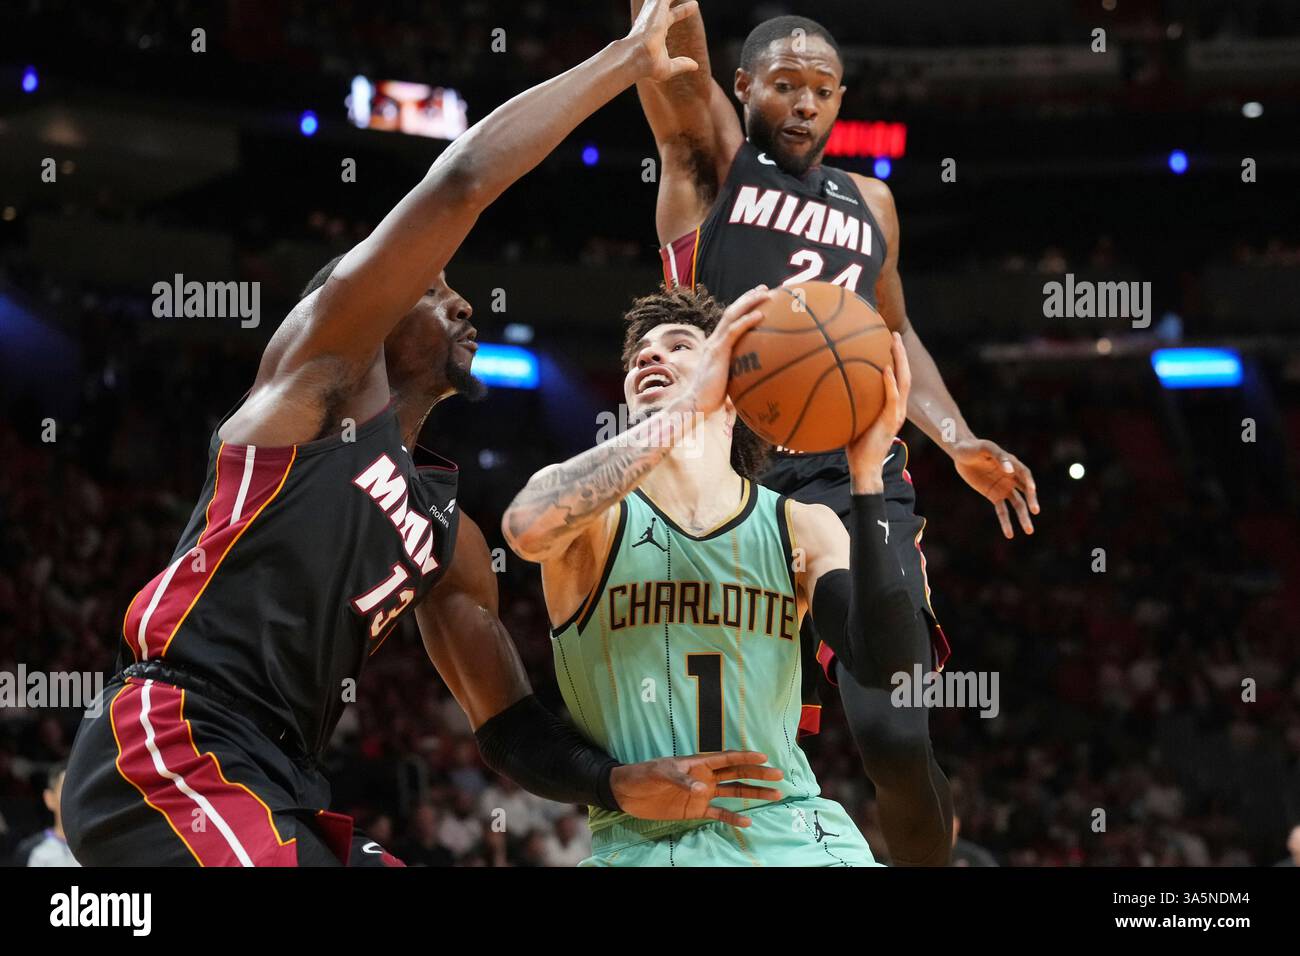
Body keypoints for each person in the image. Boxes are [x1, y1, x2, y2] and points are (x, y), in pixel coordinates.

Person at [61, 0, 778, 867]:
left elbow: (510, 725)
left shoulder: (449, 534)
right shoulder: (313, 386)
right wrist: (626, 60)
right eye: (437, 287)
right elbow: (463, 181)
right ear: (370, 306)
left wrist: (617, 784)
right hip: (174, 738)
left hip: (281, 776)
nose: (466, 302)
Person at [631, 4, 1041, 865]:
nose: (805, 104)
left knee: (893, 735)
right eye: (784, 85)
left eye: (822, 89)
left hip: (849, 475)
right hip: (723, 482)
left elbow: (896, 339)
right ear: (742, 88)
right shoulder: (709, 166)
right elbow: (665, 47)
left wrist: (958, 437)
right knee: (720, 748)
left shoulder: (874, 203)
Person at [502, 283, 922, 866]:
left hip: (797, 832)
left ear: (737, 384)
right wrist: (686, 408)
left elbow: (888, 663)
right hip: (644, 841)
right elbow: (525, 528)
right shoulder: (598, 520)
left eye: (680, 346)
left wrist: (868, 479)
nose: (651, 356)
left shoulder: (801, 525)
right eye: (640, 354)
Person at [13, 762, 80, 867]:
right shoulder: (30, 851)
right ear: (49, 798)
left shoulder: (103, 843)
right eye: (67, 790)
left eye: (80, 790)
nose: (76, 796)